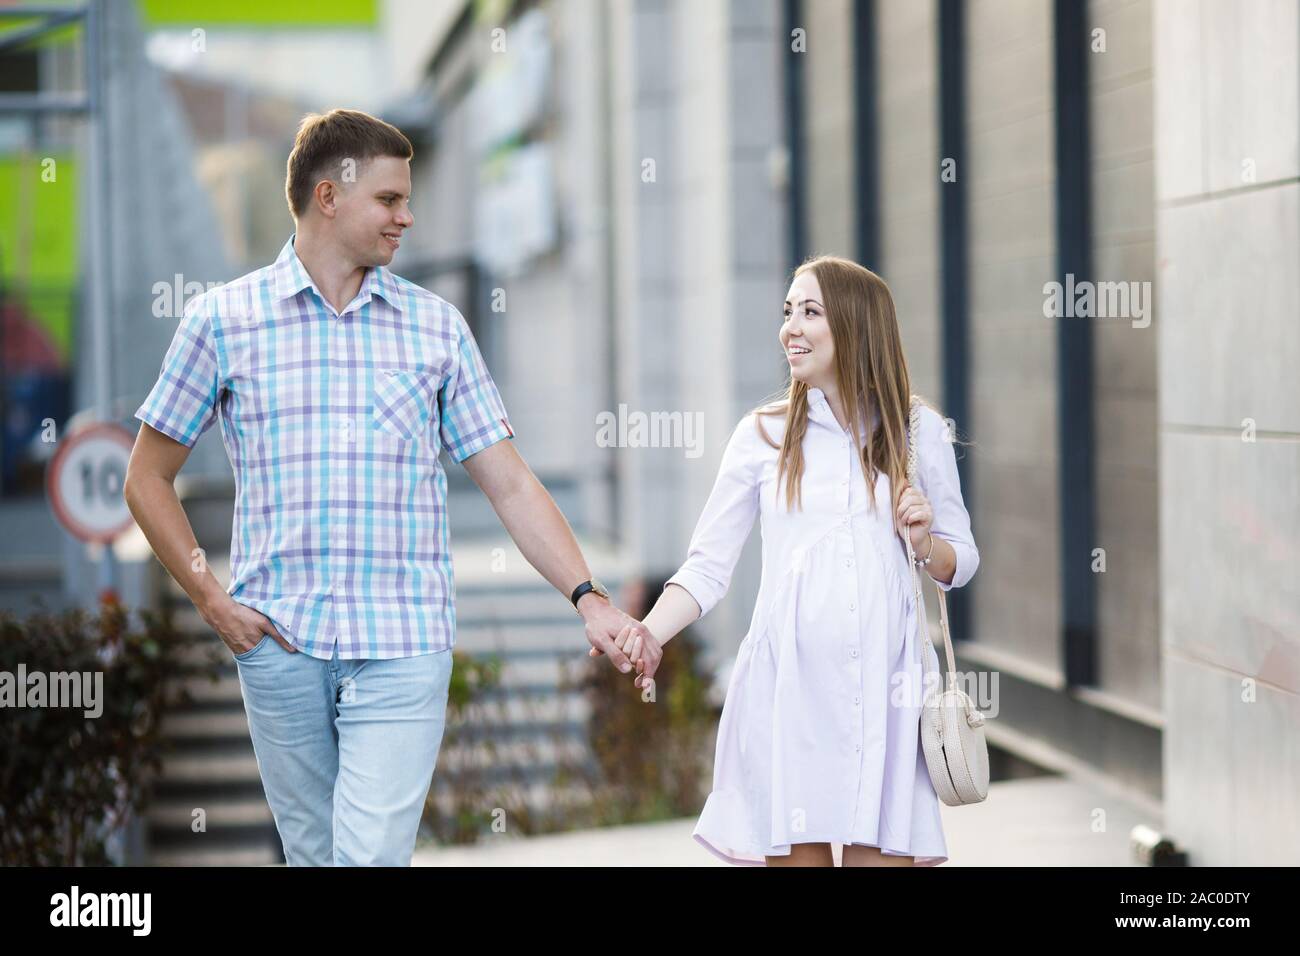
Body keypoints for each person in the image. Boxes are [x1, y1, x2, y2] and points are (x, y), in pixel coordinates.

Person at [123, 108, 658, 866]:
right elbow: (147, 479)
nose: (407, 217)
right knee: (314, 856)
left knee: (369, 857)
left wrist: (588, 596)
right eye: (390, 199)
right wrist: (213, 601)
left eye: (407, 199)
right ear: (328, 197)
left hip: (403, 642)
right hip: (278, 644)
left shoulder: (435, 329)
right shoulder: (222, 321)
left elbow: (507, 481)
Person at [612, 255, 978, 866]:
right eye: (787, 312)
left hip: (885, 696)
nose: (790, 327)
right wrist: (647, 634)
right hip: (788, 694)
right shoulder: (762, 433)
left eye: (810, 312)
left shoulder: (919, 431)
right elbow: (707, 566)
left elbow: (959, 561)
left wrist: (923, 540)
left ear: (856, 326)